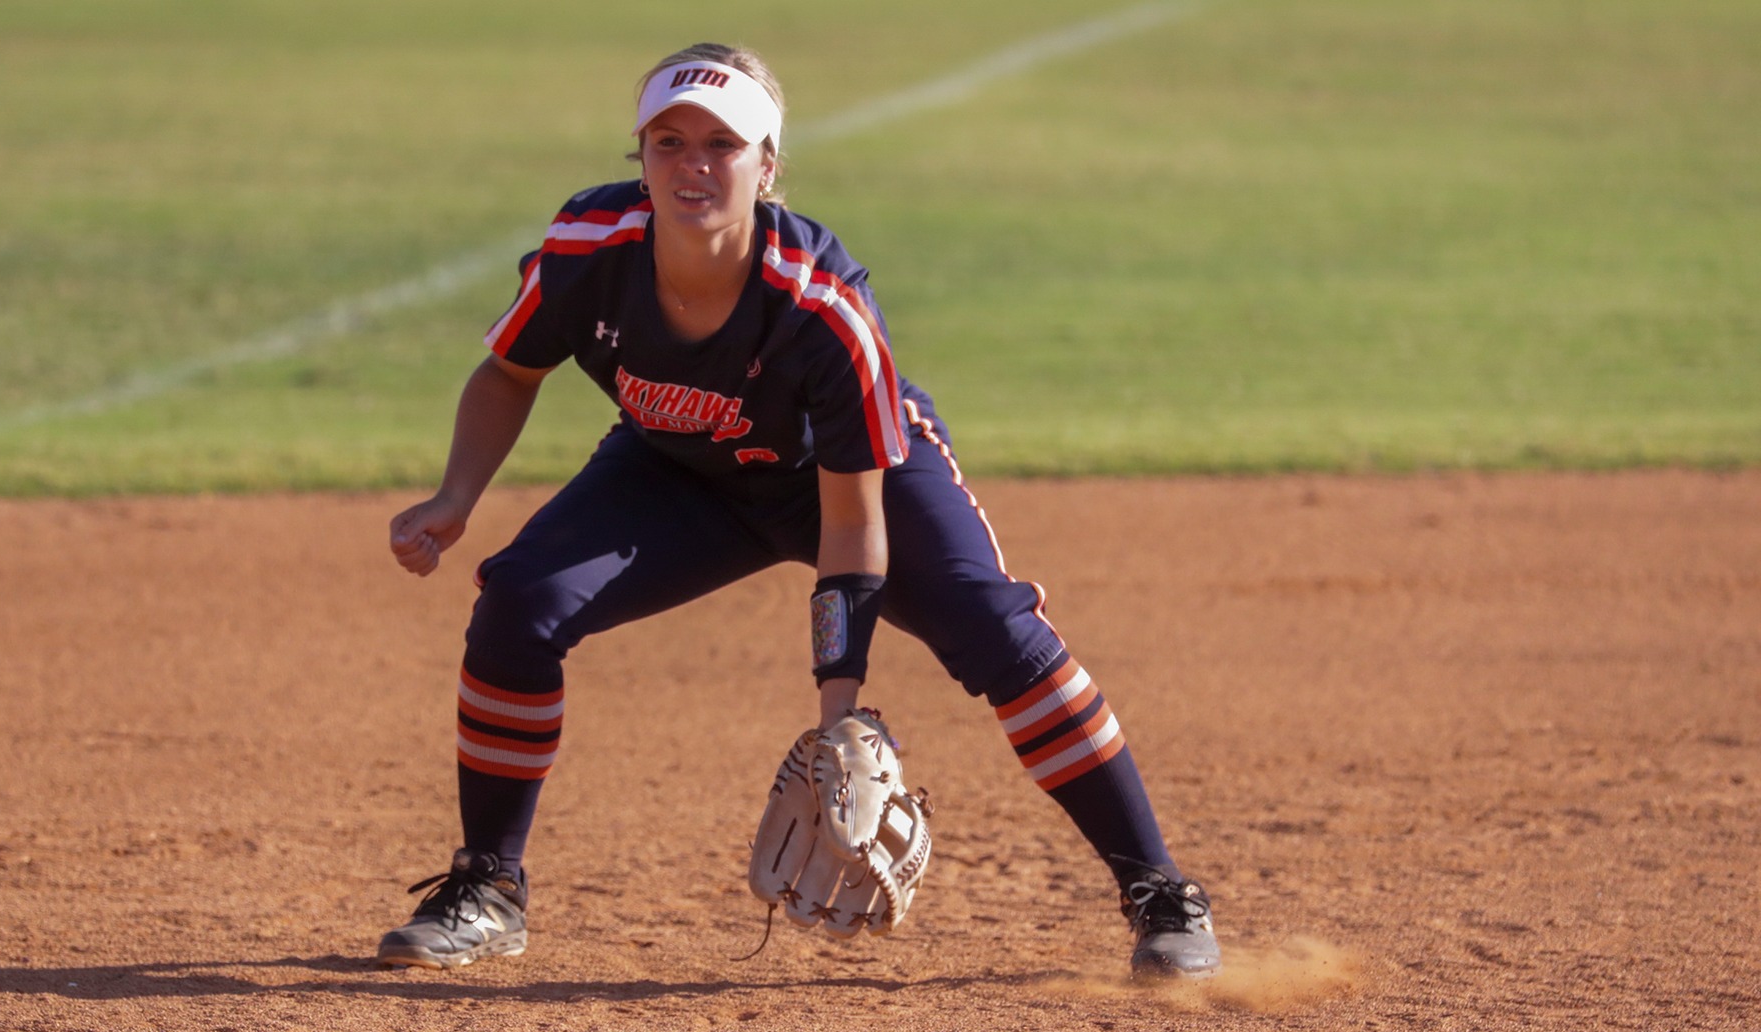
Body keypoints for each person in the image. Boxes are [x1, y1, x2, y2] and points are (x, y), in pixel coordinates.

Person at [378, 42, 1220, 978]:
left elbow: (855, 523)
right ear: (641, 155)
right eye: (669, 141)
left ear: (767, 165)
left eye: (722, 146)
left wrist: (839, 715)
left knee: (996, 631)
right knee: (517, 607)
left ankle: (1161, 892)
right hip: (680, 472)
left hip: (854, 479)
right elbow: (508, 371)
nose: (693, 165)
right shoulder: (587, 249)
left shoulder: (823, 306)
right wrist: (457, 497)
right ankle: (489, 889)